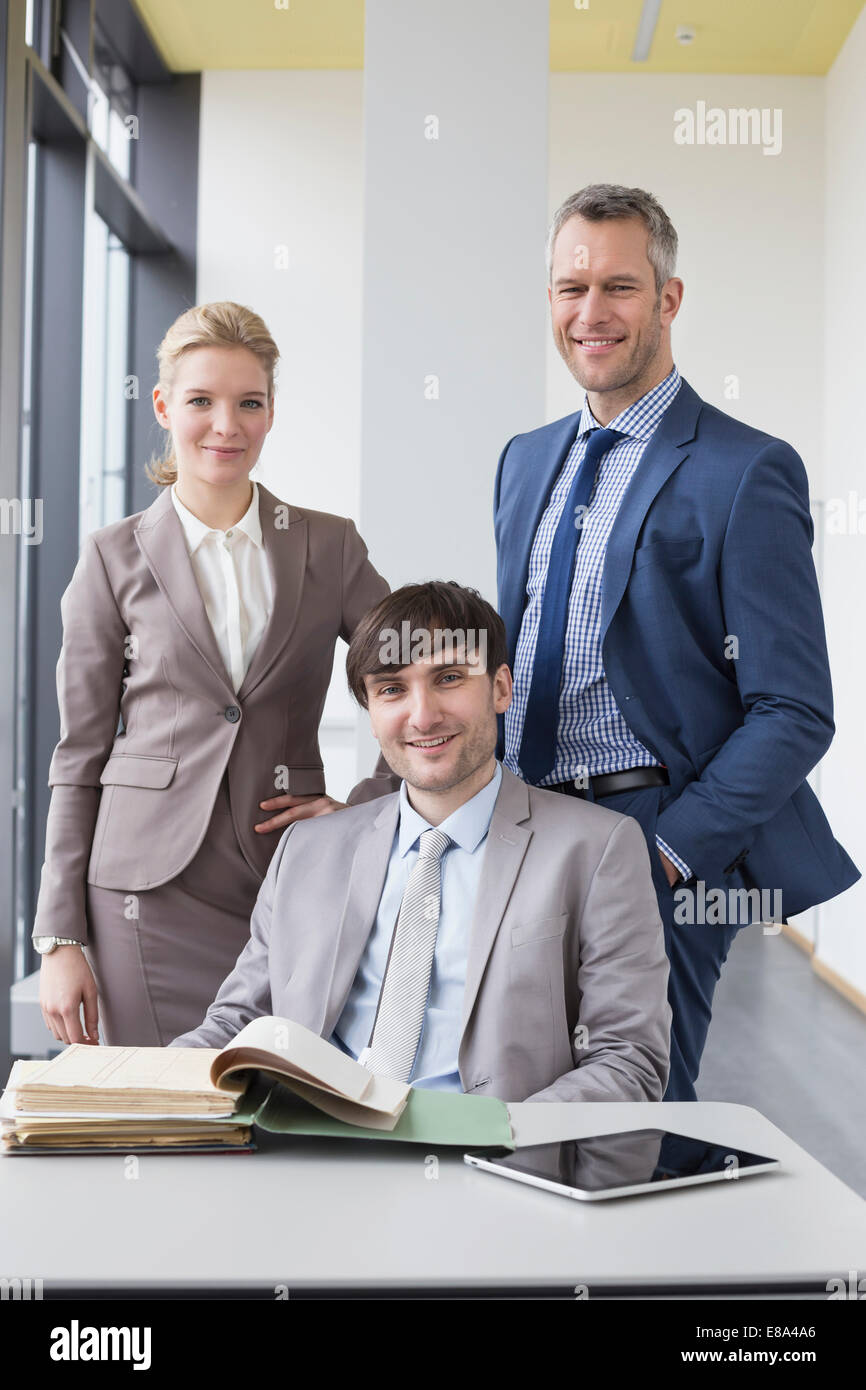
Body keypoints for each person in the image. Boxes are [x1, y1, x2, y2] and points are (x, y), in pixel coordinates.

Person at [493, 184, 859, 1101]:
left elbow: (794, 709)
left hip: (653, 835)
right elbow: (513, 658)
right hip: (519, 826)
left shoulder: (747, 470)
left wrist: (667, 852)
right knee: (516, 1094)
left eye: (619, 287)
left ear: (668, 298)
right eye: (570, 289)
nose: (591, 312)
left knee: (636, 1113)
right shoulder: (525, 459)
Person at [34, 301, 391, 1048]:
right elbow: (79, 756)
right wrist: (60, 935)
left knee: (276, 1110)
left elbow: (416, 676)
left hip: (284, 879)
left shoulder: (327, 545)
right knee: (165, 1115)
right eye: (201, 401)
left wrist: (366, 809)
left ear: (270, 413)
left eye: (248, 403)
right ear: (165, 406)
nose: (225, 425)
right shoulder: (112, 555)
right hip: (143, 896)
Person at [172, 581, 671, 1106]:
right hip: (310, 1150)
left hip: (489, 1159)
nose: (424, 716)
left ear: (500, 688)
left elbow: (627, 1059)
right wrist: (138, 1086)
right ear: (369, 710)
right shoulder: (306, 849)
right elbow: (239, 1022)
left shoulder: (597, 850)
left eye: (449, 678)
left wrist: (493, 1137)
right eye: (392, 689)